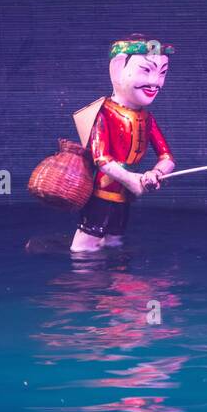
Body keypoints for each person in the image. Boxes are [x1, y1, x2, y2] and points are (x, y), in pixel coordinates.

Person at [69, 36, 176, 252]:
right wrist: (129, 179)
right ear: (118, 69)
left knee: (115, 240)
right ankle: (85, 282)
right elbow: (101, 158)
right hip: (102, 193)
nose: (155, 82)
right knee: (86, 243)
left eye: (162, 72)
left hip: (124, 195)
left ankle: (118, 278)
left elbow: (167, 158)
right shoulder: (105, 114)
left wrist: (154, 174)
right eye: (146, 70)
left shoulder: (147, 119)